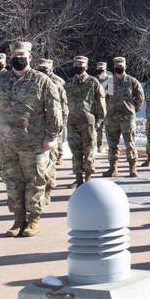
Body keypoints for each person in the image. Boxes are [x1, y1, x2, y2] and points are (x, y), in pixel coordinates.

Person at [0, 40, 62, 237]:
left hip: (35, 142)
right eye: (15, 56)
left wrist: (51, 136)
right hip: (7, 143)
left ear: (29, 57)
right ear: (10, 57)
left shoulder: (42, 81)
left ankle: (34, 219)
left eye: (22, 56)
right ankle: (18, 219)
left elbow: (55, 111)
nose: (19, 59)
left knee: (35, 180)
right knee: (12, 181)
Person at [65, 55, 106, 186]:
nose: (79, 67)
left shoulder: (93, 82)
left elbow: (101, 101)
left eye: (81, 65)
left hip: (88, 122)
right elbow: (63, 102)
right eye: (76, 64)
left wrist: (100, 119)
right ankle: (78, 179)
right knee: (75, 151)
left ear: (87, 66)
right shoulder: (69, 83)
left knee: (88, 151)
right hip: (72, 122)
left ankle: (88, 179)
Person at [105, 56, 145, 177]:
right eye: (116, 67)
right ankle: (113, 168)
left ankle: (132, 168)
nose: (118, 68)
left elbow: (140, 96)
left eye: (121, 66)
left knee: (130, 143)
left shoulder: (131, 81)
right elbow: (104, 98)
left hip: (127, 118)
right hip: (112, 117)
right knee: (112, 144)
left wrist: (133, 109)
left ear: (125, 67)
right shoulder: (109, 82)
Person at [35, 58, 68, 205]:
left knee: (51, 162)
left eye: (45, 69)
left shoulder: (58, 83)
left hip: (53, 129)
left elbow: (63, 106)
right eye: (40, 68)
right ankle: (36, 193)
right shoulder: (33, 81)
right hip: (35, 129)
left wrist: (61, 126)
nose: (42, 71)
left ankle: (47, 192)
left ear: (51, 69)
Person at [93, 60, 112, 156]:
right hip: (95, 107)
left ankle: (110, 146)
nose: (100, 71)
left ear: (105, 69)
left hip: (106, 106)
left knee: (107, 128)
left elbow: (111, 95)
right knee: (97, 127)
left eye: (102, 69)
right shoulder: (93, 79)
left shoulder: (109, 80)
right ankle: (98, 146)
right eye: (99, 69)